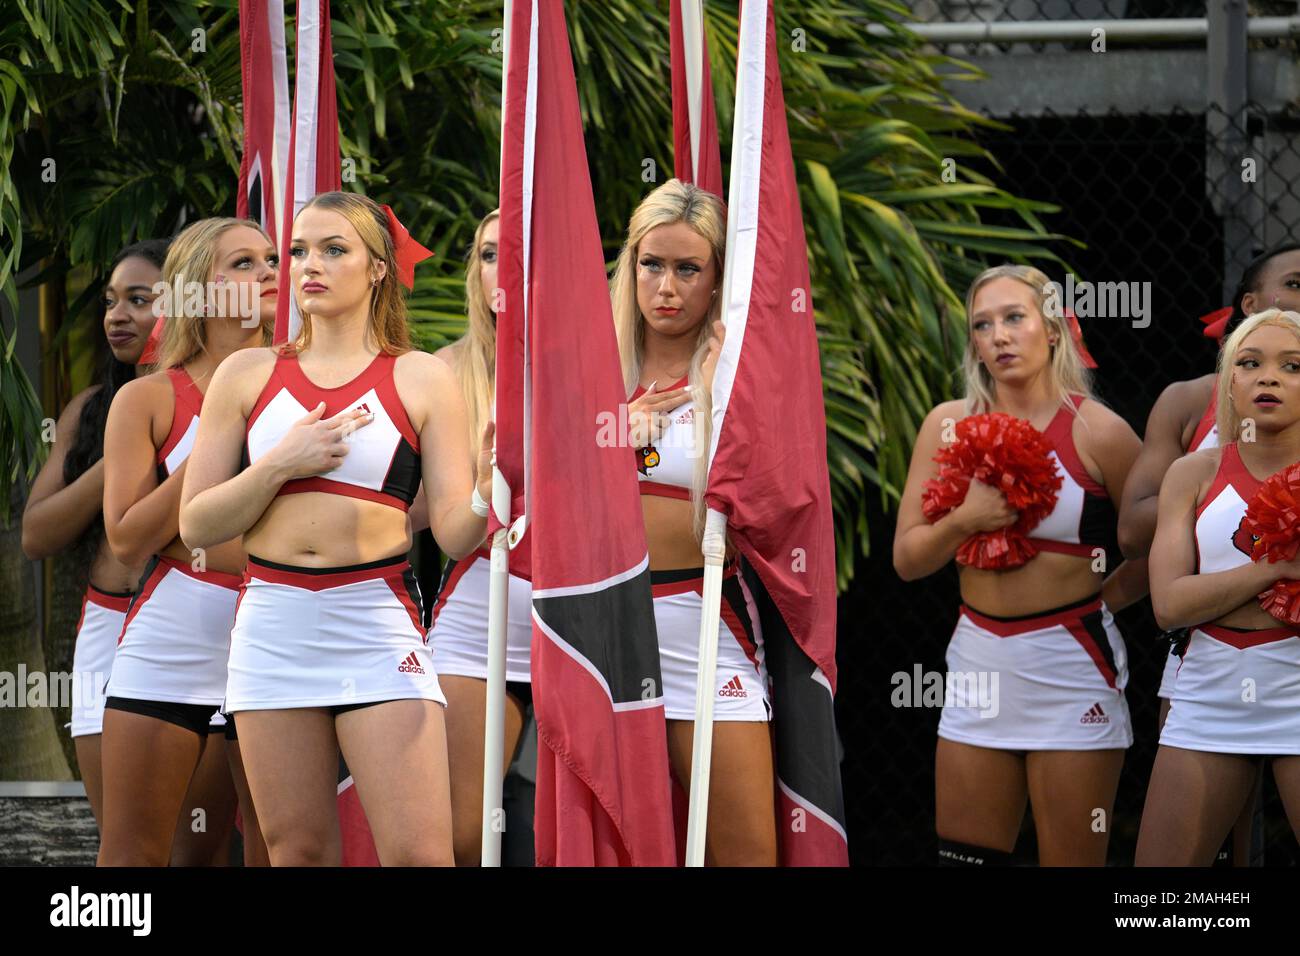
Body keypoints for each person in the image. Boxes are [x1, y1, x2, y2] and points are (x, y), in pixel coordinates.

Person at [178, 191, 491, 866]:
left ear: (378, 268)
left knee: (420, 854)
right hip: (271, 624)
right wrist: (280, 465)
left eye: (333, 249)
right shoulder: (247, 373)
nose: (307, 265)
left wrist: (494, 485)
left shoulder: (421, 377)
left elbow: (458, 535)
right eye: (298, 251)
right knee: (297, 852)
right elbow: (197, 522)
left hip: (374, 620)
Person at [893, 264, 1145, 866]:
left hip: (1071, 663)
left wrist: (1097, 604)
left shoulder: (1099, 430)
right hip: (977, 658)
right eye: (984, 325)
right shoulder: (946, 424)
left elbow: (1162, 547)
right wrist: (963, 520)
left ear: (1052, 328)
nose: (1000, 335)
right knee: (964, 861)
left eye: (1015, 318)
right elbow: (907, 560)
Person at [96, 219, 276, 866]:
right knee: (132, 856)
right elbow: (126, 541)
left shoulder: (300, 389)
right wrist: (213, 439)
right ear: (198, 288)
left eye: (272, 258)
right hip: (172, 636)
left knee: (272, 849)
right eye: (244, 263)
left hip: (271, 632)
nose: (270, 272)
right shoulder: (147, 400)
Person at [1119, 244, 1300, 865]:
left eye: (1292, 365)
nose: (1268, 377)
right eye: (1250, 363)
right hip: (1209, 684)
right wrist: (1276, 567)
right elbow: (1169, 604)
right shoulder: (1192, 474)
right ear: (1229, 377)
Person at [610, 178, 773, 866]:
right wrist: (615, 438)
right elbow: (543, 502)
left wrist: (713, 404)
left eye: (688, 268)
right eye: (652, 264)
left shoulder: (742, 373)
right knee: (619, 844)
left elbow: (773, 508)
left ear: (716, 281)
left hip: (705, 620)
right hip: (604, 621)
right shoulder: (591, 366)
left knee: (742, 849)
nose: (666, 286)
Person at [424, 209, 535, 865]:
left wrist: (634, 447)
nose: (502, 270)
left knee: (573, 835)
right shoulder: (443, 371)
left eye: (519, 255)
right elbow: (431, 521)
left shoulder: (604, 364)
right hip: (478, 621)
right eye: (490, 254)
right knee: (461, 837)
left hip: (582, 620)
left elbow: (646, 476)